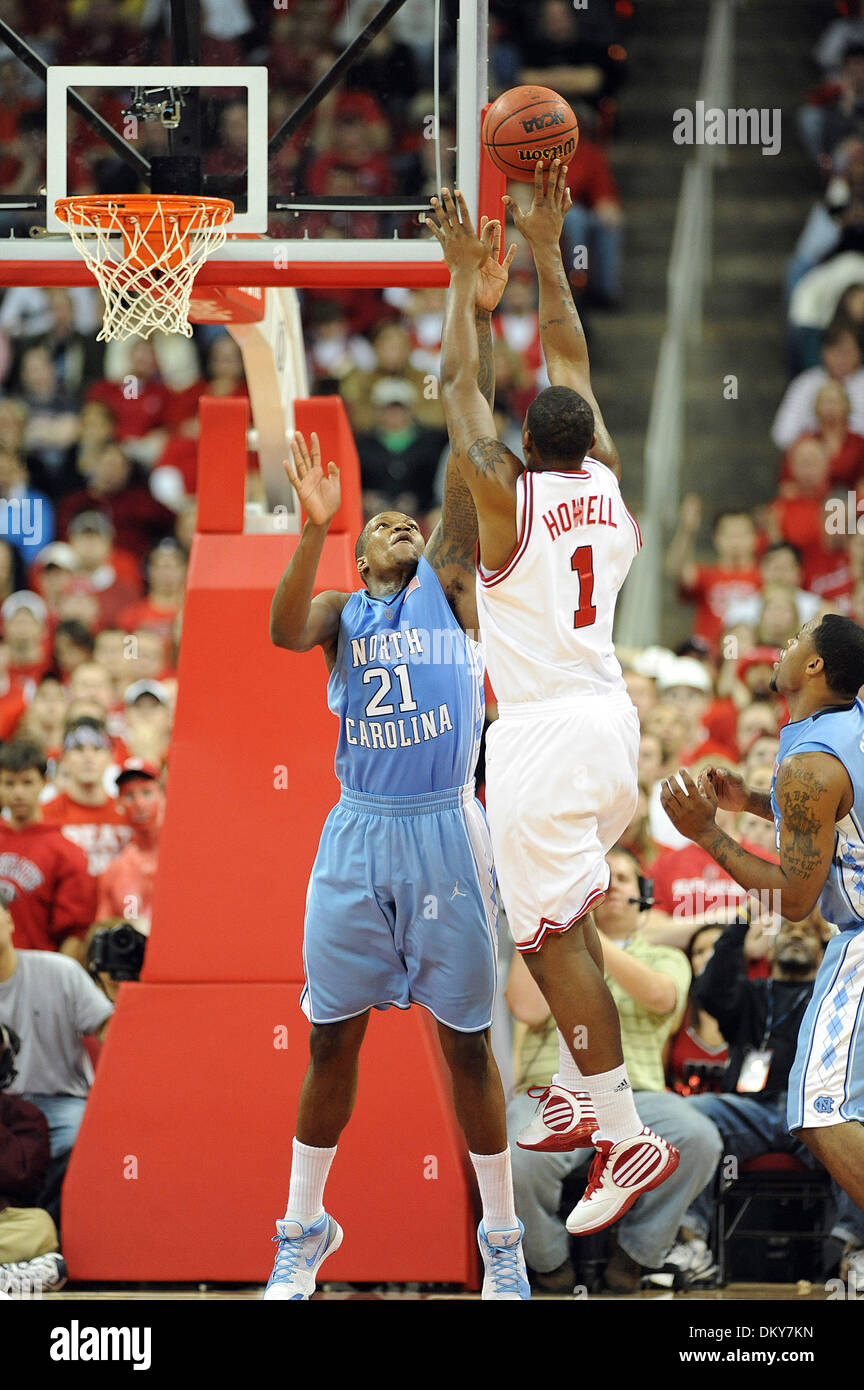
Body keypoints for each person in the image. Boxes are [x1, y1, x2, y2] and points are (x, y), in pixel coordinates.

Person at [263, 225, 532, 1302]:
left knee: (467, 1051)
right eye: (373, 525)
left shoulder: (452, 586)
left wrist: (469, 295)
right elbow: (284, 632)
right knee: (331, 1042)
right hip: (359, 829)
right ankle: (301, 1228)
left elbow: (479, 429)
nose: (393, 523)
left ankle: (501, 1241)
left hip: (444, 827)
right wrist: (307, 532)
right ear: (360, 553)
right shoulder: (341, 612)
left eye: (401, 517)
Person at [427, 165, 679, 1240]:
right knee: (564, 925)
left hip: (536, 735)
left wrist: (459, 286)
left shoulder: (504, 494)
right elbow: (567, 355)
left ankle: (624, 1127)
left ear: (531, 451)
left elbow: (455, 392)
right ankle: (586, 1087)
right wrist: (542, 246)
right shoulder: (608, 486)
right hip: (611, 728)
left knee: (545, 943)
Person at [660, 613, 864, 1244]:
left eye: (796, 637)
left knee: (816, 1111)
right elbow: (828, 811)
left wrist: (706, 834)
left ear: (815, 667)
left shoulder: (810, 762)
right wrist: (748, 799)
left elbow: (796, 900)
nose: (781, 645)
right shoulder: (843, 729)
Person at [506, 848, 722, 1294]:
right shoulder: (544, 946)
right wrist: (558, 936)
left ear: (644, 897)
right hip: (551, 1090)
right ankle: (549, 1263)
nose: (612, 885)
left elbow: (661, 997)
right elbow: (526, 1008)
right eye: (603, 877)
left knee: (699, 1138)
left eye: (623, 878)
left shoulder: (666, 958)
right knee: (518, 1156)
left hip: (638, 1095)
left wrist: (583, 934)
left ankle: (635, 1256)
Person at [0, 894, 112, 1230]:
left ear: (9, 920)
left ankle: (56, 1233)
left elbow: (114, 1033)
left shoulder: (59, 971)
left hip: (61, 1102)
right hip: (4, 1108)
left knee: (91, 1137)